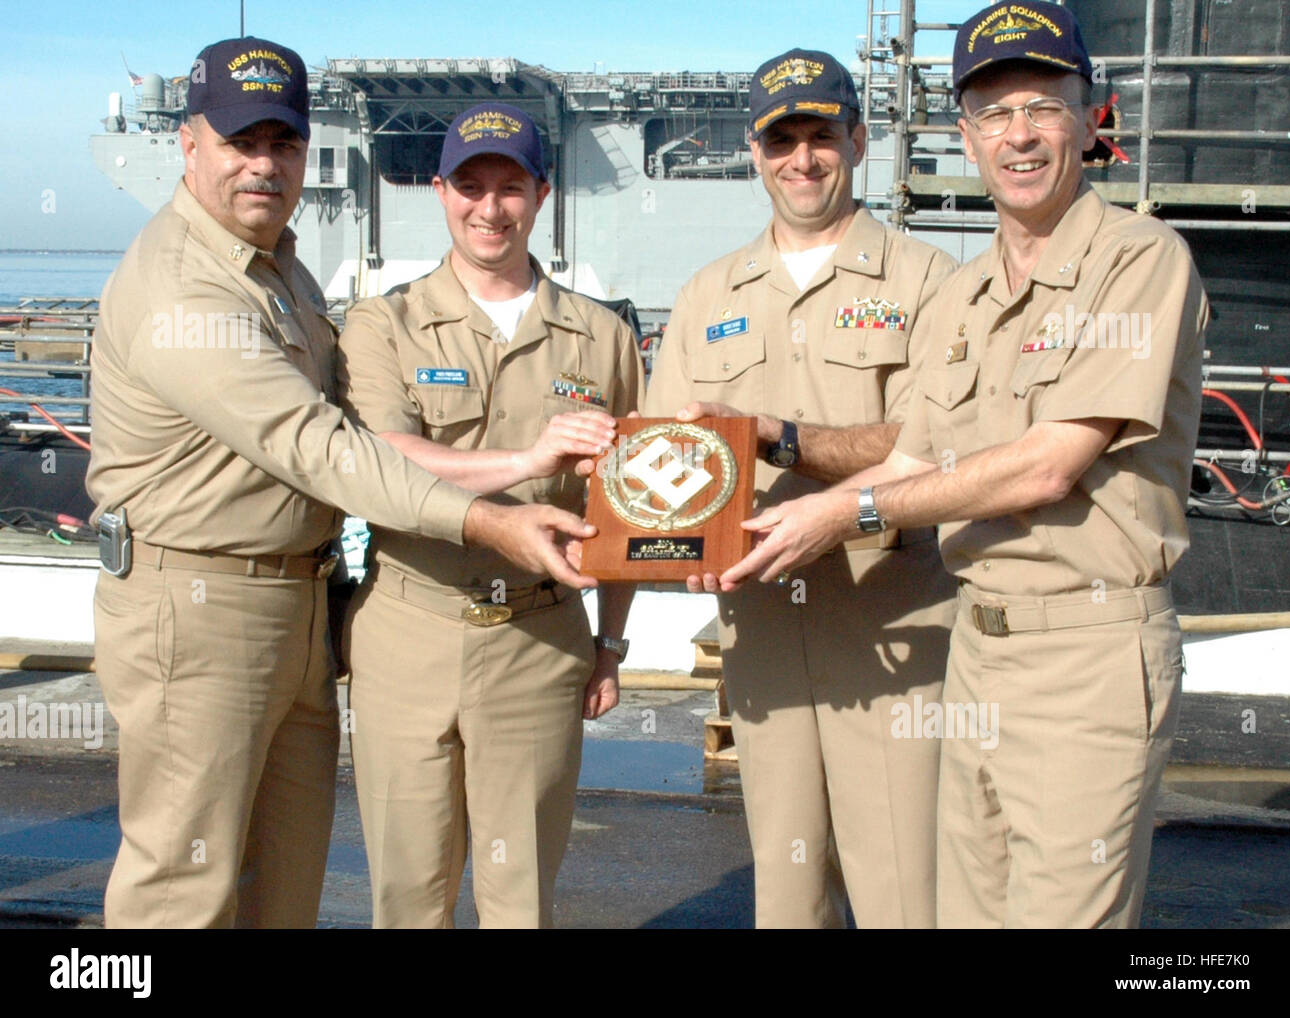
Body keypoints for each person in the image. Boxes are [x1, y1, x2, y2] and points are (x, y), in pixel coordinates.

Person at [87, 41, 598, 929]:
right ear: (188, 144)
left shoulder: (277, 268)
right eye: (241, 141)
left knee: (282, 889)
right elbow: (320, 444)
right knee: (180, 890)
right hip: (195, 604)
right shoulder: (183, 286)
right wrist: (488, 516)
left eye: (284, 142)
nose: (265, 165)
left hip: (299, 604)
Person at [721, 2, 1209, 928]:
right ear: (965, 137)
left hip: (1086, 654)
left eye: (1043, 106)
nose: (1018, 135)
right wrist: (770, 527)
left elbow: (1045, 467)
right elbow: (912, 457)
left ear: (1092, 116)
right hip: (975, 657)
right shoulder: (964, 295)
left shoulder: (1140, 261)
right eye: (992, 113)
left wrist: (843, 516)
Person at [645, 49, 958, 928]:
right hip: (762, 622)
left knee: (904, 883)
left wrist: (777, 436)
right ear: (755, 151)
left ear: (858, 140)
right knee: (786, 890)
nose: (803, 158)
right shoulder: (706, 296)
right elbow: (667, 457)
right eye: (782, 138)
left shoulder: (930, 284)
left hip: (888, 612)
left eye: (822, 135)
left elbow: (937, 445)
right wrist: (679, 548)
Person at [335, 102, 643, 928]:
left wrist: (610, 644)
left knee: (521, 899)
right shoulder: (382, 324)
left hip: (540, 640)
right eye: (469, 185)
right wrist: (529, 460)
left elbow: (626, 504)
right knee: (409, 896)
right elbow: (379, 455)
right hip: (409, 631)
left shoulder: (603, 337)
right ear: (437, 190)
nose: (490, 207)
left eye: (511, 186)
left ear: (542, 193)